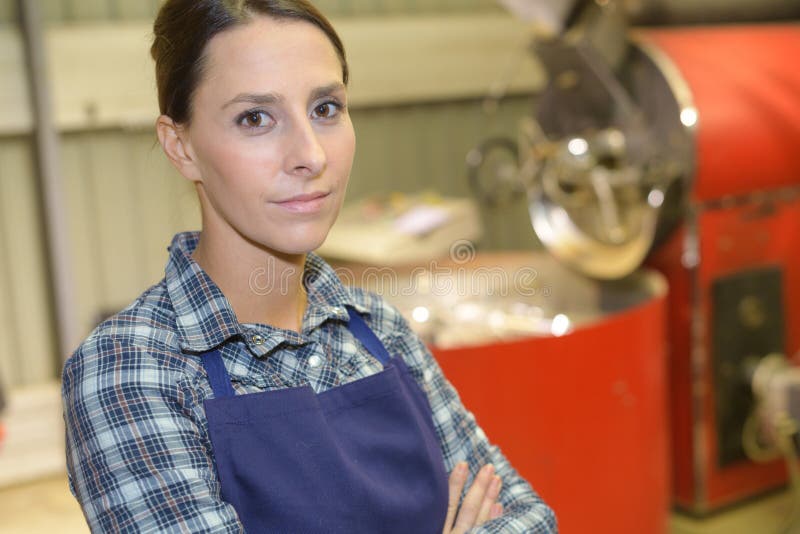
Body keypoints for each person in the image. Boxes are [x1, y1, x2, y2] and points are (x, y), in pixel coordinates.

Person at [61, 1, 557, 532]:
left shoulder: (377, 328)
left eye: (325, 109)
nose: (311, 155)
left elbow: (527, 517)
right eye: (255, 118)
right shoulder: (130, 372)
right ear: (180, 146)